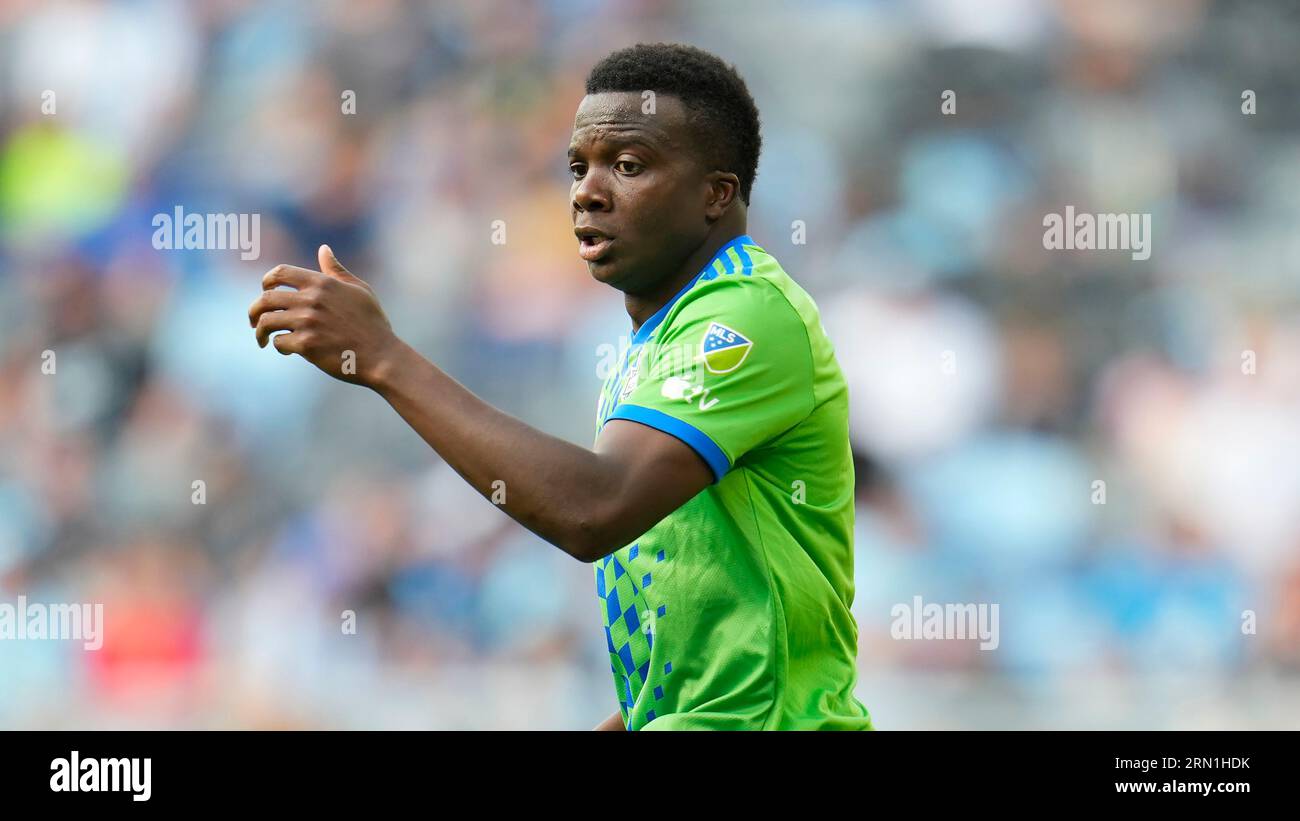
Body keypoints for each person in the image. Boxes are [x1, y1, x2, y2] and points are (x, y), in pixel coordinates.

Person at [248, 43, 873, 731]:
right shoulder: (654, 344)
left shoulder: (747, 314)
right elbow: (708, 635)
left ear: (715, 194)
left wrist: (386, 358)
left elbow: (594, 510)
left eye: (628, 166)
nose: (587, 190)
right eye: (578, 166)